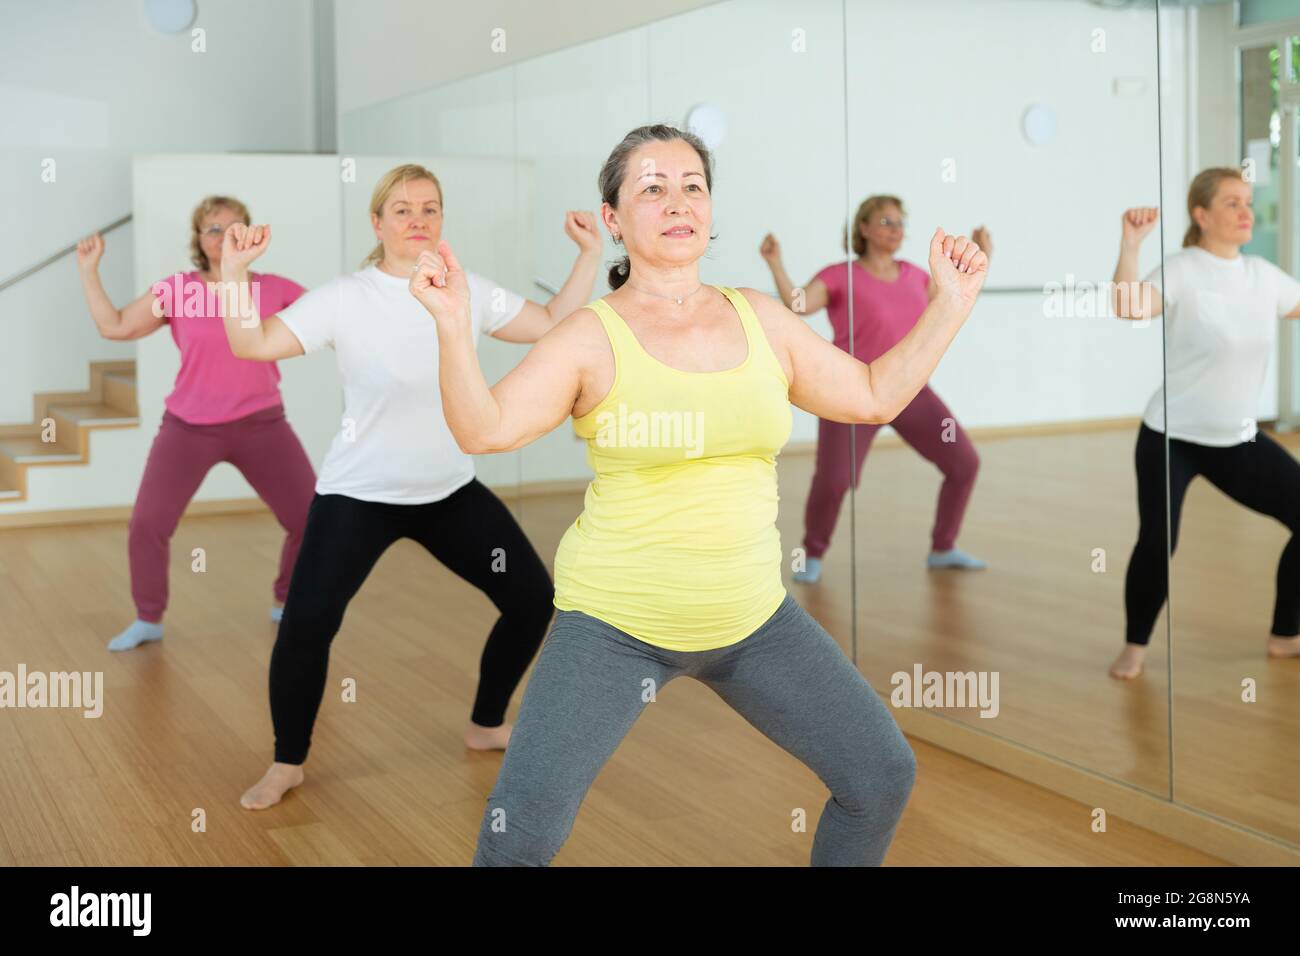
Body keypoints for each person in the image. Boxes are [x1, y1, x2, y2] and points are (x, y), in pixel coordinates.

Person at [409, 125, 988, 866]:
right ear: (614, 219)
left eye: (692, 185)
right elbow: (484, 430)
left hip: (753, 621)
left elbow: (873, 394)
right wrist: (455, 330)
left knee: (880, 776)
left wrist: (952, 303)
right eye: (651, 187)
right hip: (613, 626)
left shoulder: (760, 316)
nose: (677, 201)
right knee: (518, 834)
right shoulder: (591, 336)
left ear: (711, 209)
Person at [218, 164, 603, 809]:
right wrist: (232, 275)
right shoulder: (344, 297)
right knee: (307, 627)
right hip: (357, 496)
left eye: (429, 208)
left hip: (447, 491)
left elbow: (556, 322)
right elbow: (253, 343)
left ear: (442, 221)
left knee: (533, 598)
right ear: (378, 223)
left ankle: (485, 723)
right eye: (402, 210)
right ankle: (287, 762)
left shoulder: (466, 290)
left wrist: (589, 254)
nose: (417, 219)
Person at [74, 196, 315, 651]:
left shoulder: (276, 288)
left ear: (252, 235)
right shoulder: (178, 290)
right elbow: (117, 326)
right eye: (213, 229)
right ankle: (148, 618)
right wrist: (89, 272)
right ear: (198, 241)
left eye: (234, 227)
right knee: (147, 523)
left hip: (263, 424)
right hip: (189, 427)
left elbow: (334, 321)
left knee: (310, 516)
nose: (224, 237)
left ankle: (288, 601)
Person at [1111, 167, 1300, 679]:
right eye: (1233, 203)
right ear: (1202, 214)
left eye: (1248, 202)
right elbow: (1129, 309)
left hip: (1237, 440)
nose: (1246, 212)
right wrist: (1131, 245)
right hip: (1171, 438)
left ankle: (1285, 635)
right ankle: (1135, 646)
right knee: (1157, 541)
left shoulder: (1263, 275)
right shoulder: (1184, 269)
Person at [760, 196, 990, 583]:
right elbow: (798, 303)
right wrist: (775, 263)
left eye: (900, 223)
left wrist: (983, 258)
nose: (895, 229)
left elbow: (953, 306)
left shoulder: (918, 275)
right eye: (885, 221)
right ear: (863, 228)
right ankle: (813, 553)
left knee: (964, 463)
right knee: (835, 480)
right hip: (851, 390)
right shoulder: (839, 275)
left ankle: (943, 547)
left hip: (910, 391)